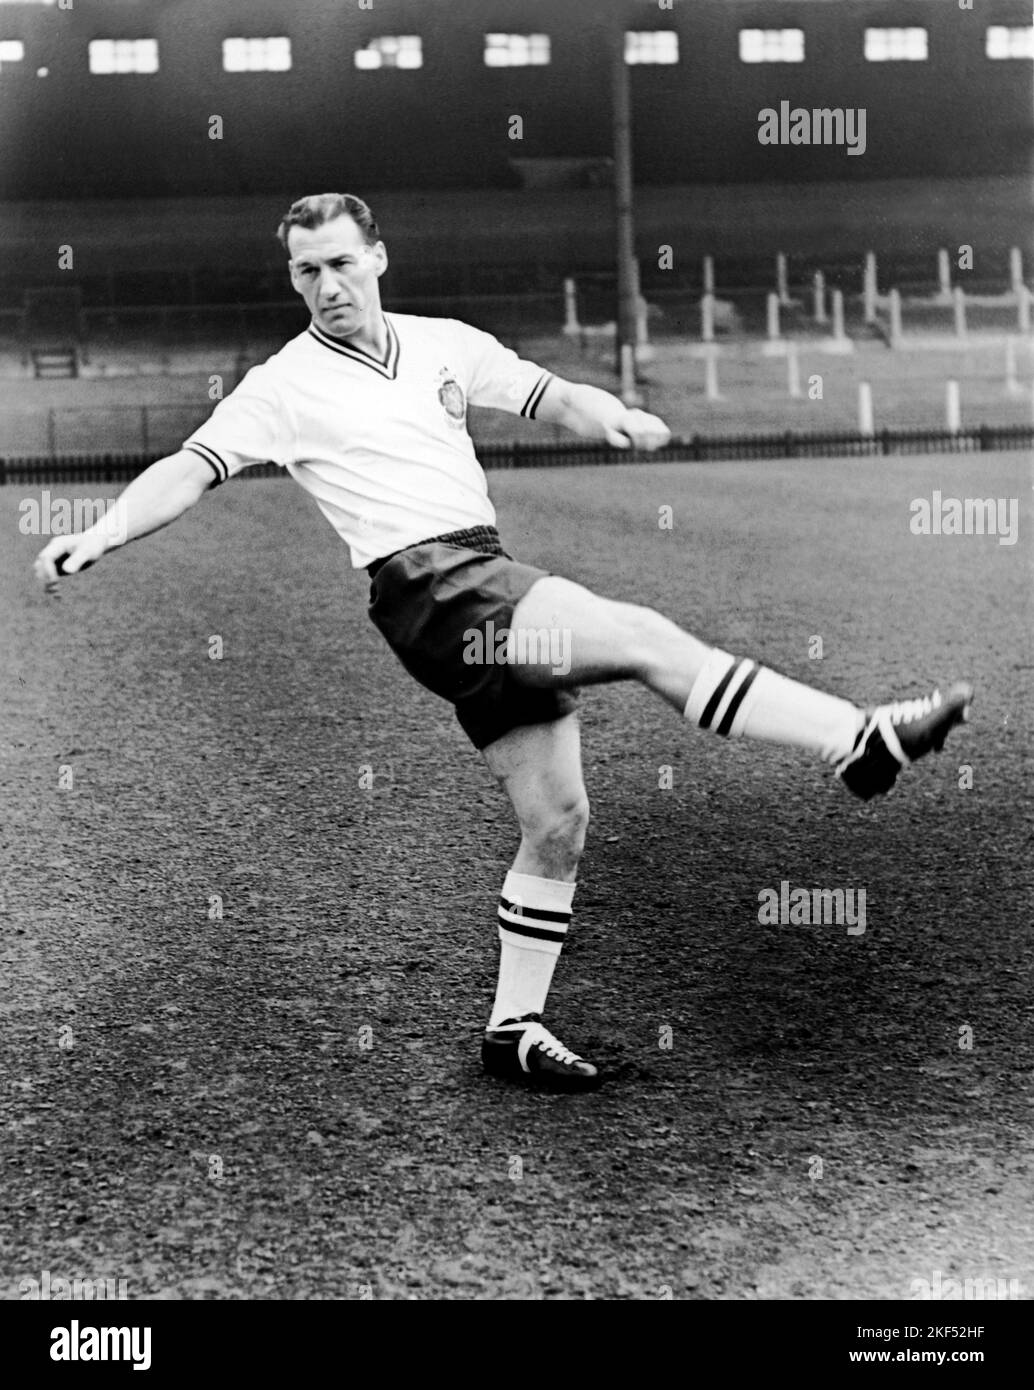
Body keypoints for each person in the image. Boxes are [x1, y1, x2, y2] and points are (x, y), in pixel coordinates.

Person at [35, 193, 972, 1092]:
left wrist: (607, 413)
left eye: (342, 264)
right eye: (305, 270)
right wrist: (104, 532)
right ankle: (857, 741)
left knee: (558, 821)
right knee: (644, 638)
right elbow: (188, 468)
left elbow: (549, 394)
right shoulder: (281, 387)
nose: (326, 285)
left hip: (480, 576)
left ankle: (511, 1028)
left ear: (379, 257)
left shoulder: (444, 344)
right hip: (433, 590)